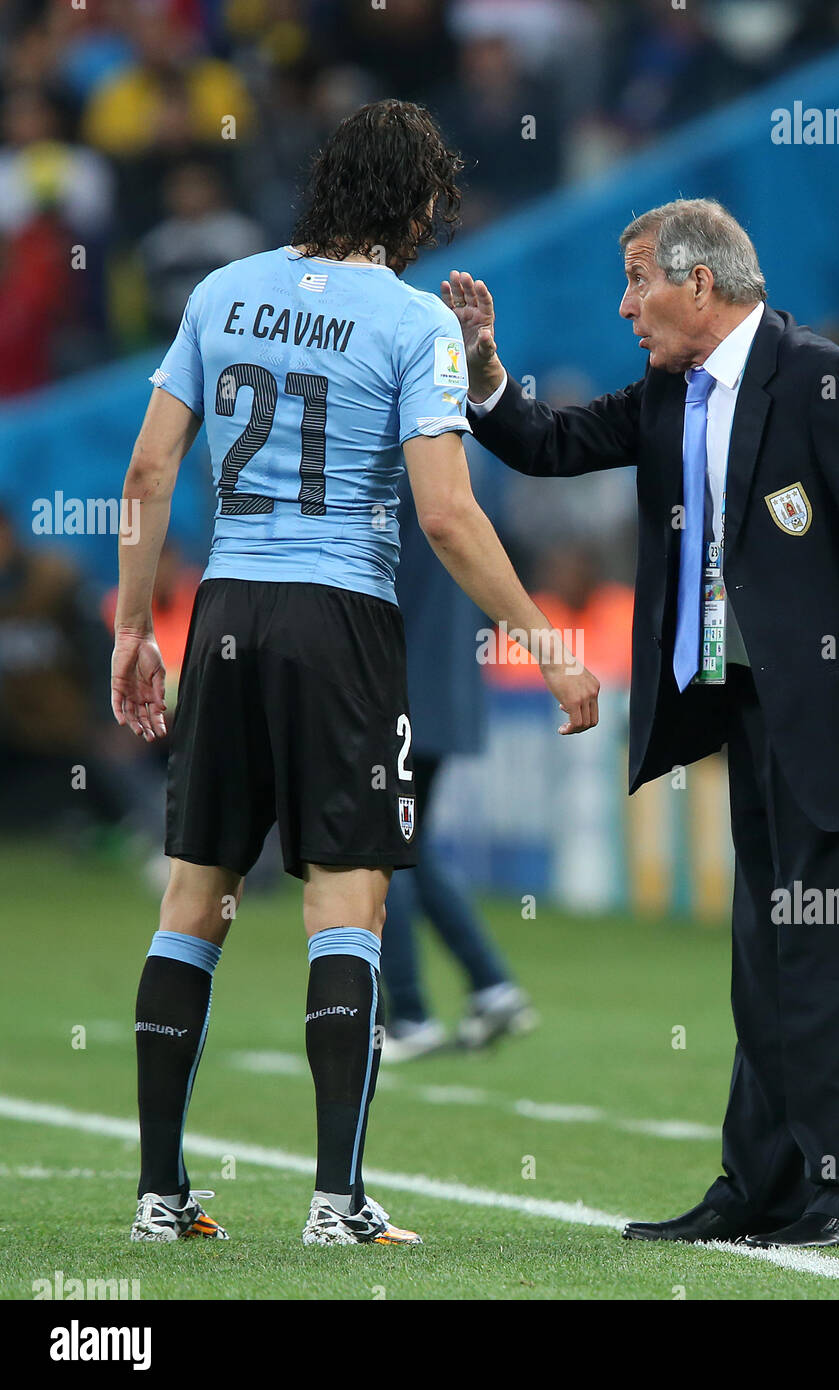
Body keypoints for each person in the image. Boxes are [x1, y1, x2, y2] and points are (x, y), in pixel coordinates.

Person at [110, 100, 598, 1249]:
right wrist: (543, 638)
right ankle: (337, 1201)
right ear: (418, 203)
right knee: (349, 899)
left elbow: (145, 470)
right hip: (341, 620)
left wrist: (136, 628)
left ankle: (159, 1194)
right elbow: (444, 515)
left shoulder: (219, 291)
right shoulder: (411, 318)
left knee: (197, 897)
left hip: (226, 610)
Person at [450, 197, 839, 1250]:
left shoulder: (826, 382)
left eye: (638, 280)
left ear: (699, 282)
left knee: (824, 967)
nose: (625, 306)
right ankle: (760, 1187)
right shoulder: (668, 390)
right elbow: (547, 445)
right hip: (751, 715)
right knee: (764, 965)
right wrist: (483, 370)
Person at [379, 465, 538, 1062]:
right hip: (452, 686)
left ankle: (411, 1013)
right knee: (406, 844)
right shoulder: (470, 468)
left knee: (384, 848)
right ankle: (490, 984)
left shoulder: (388, 469)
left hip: (396, 686)